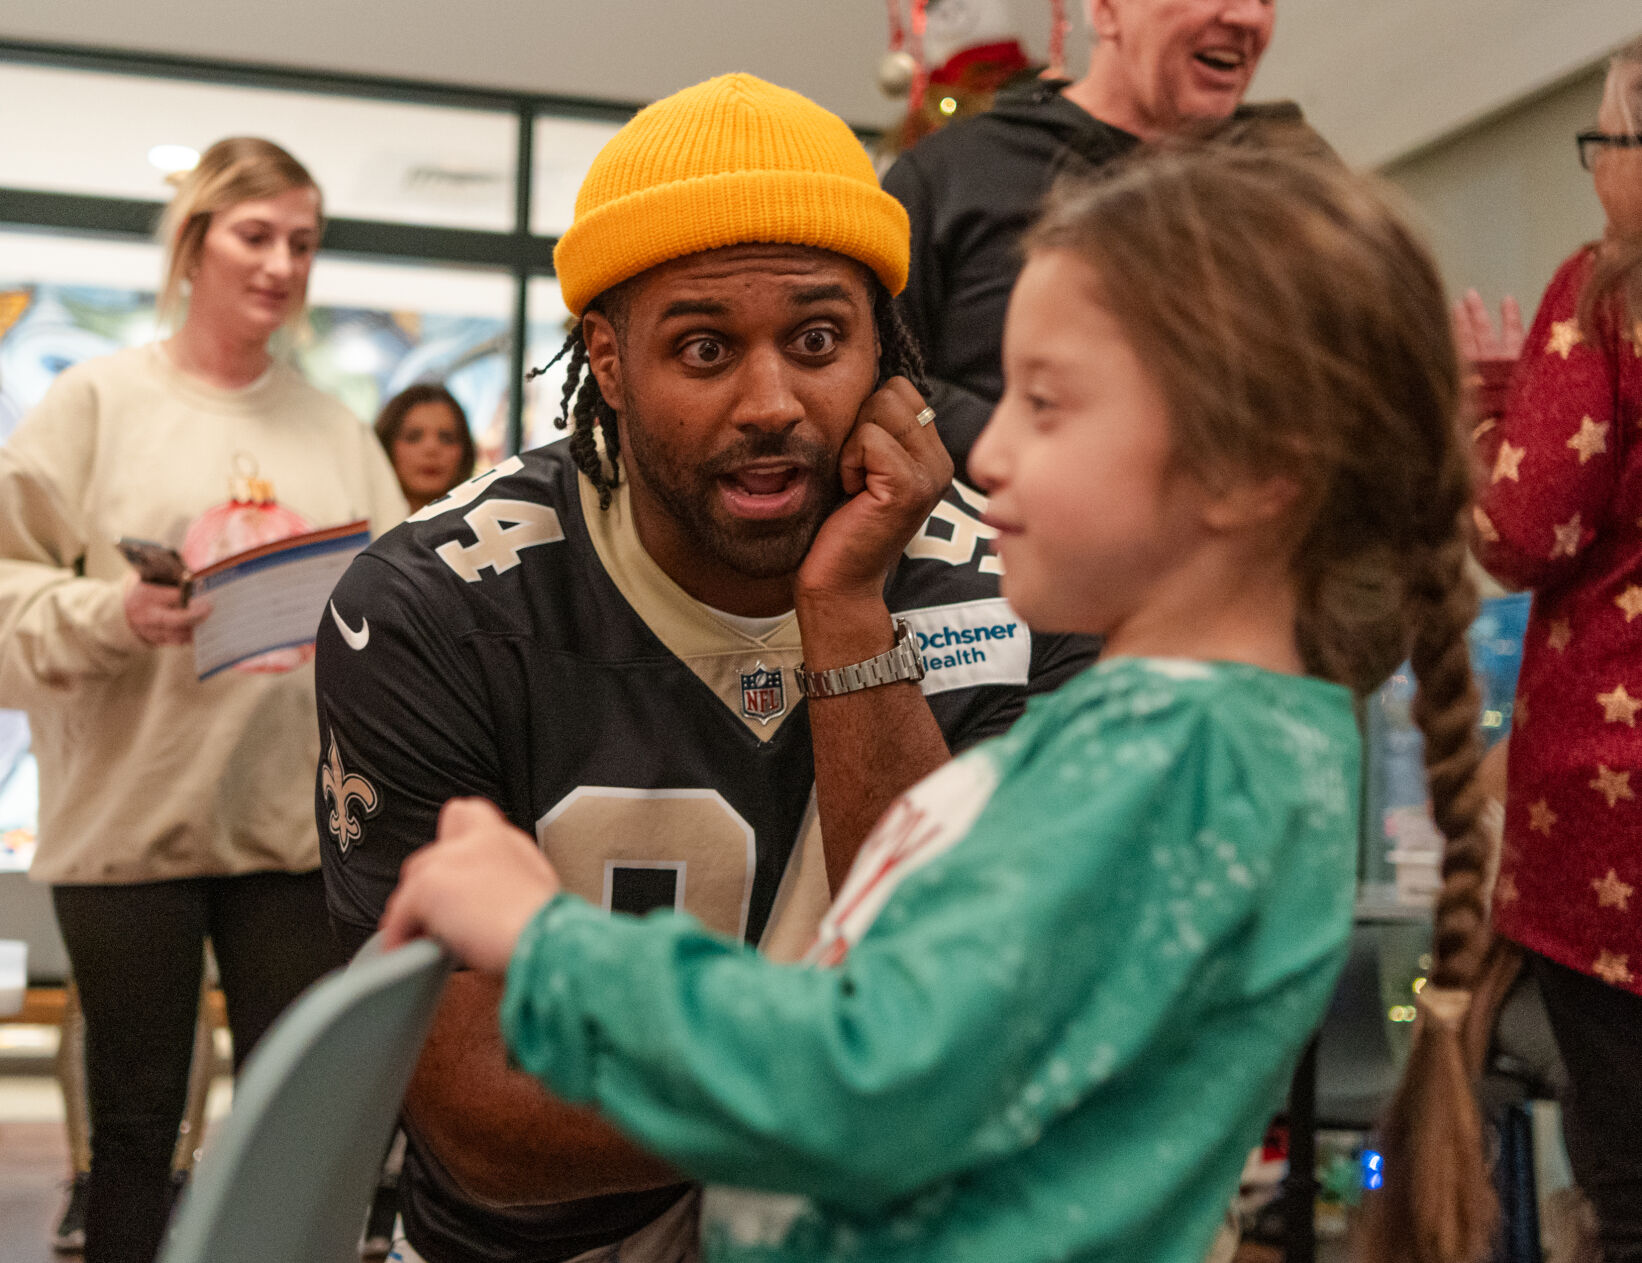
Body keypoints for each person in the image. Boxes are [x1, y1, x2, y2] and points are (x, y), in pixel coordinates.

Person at [378, 142, 1492, 1263]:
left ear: (1254, 469)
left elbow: (871, 1078)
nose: (986, 450)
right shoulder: (1214, 735)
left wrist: (547, 940)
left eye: (1046, 407)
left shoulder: (1176, 755)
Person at [314, 72, 1094, 1263]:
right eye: (703, 347)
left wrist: (845, 616)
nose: (772, 402)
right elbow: (479, 1118)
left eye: (820, 339)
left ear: (887, 353)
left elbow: (977, 1009)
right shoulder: (432, 604)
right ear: (609, 363)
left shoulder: (1014, 586)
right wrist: (869, 1100)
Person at [0, 136, 406, 1263]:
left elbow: (392, 606)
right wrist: (112, 614)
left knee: (291, 1122)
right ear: (193, 242)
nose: (281, 264)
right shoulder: (94, 404)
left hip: (287, 833)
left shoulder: (333, 429)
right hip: (130, 831)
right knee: (135, 1135)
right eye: (255, 234)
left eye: (304, 243)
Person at [1457, 37, 1642, 1263]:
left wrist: (1486, 423)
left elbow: (1522, 536)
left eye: (1607, 142)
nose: (1594, 174)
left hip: (1611, 821)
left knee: (1629, 1187)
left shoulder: (1603, 295)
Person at [882, 0, 1324, 477]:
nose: (1248, 18)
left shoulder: (1298, 177)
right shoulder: (951, 173)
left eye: (1264, 0)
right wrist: (1045, 452)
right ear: (1106, 11)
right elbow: (883, 380)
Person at [373, 382, 477, 513]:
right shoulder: (358, 521)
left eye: (447, 438)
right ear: (385, 446)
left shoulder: (487, 527)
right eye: (413, 437)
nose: (432, 449)